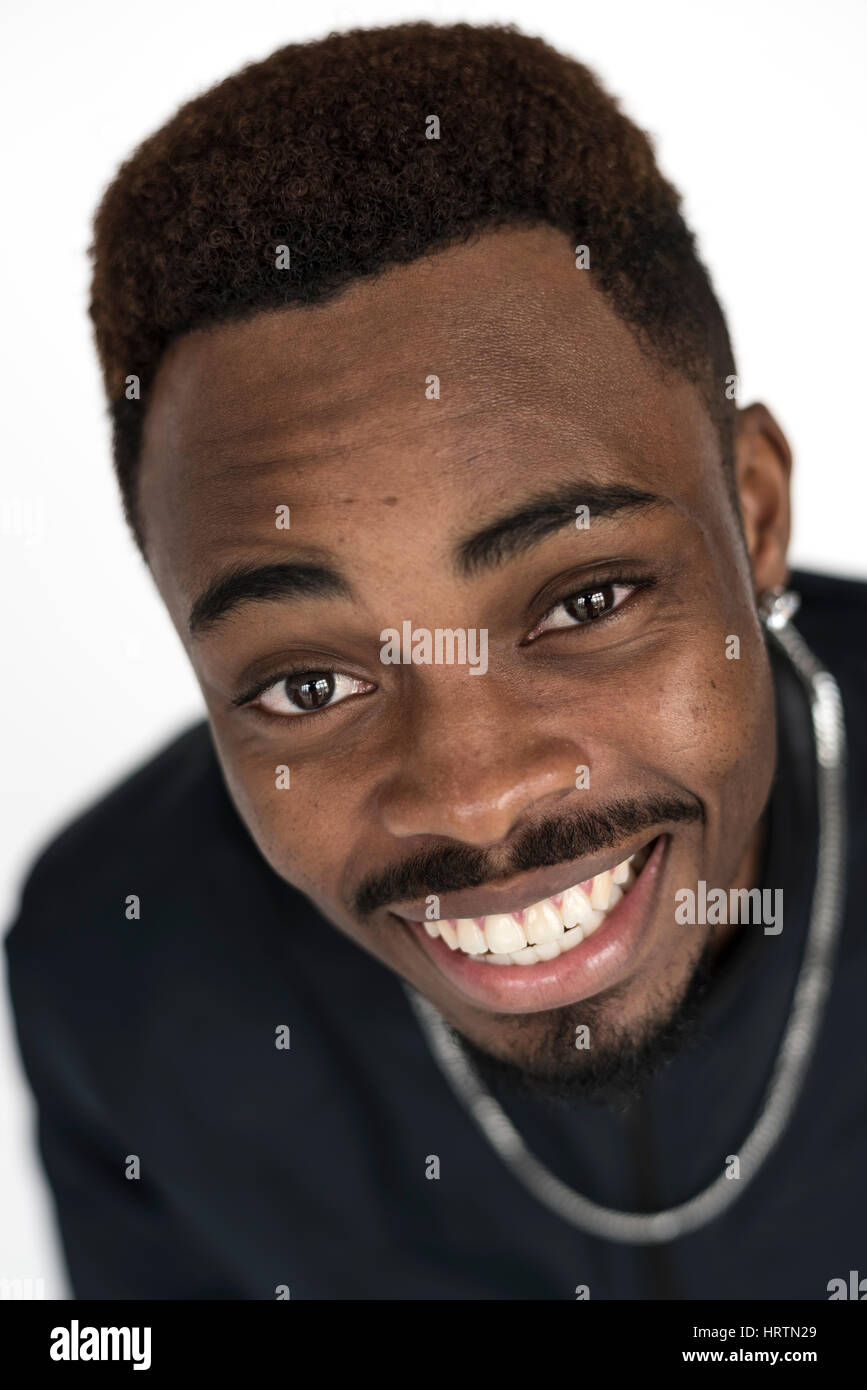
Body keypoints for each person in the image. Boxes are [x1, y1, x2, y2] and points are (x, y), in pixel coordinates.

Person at [6, 22, 866, 1300]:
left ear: (751, 513)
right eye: (309, 686)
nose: (473, 794)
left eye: (583, 599)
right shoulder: (117, 974)